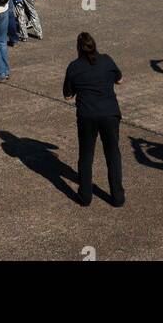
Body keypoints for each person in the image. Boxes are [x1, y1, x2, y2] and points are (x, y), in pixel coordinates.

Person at [63, 31, 124, 207]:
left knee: (86, 155)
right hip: (109, 113)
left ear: (78, 49)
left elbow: (67, 95)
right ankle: (117, 197)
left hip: (87, 115)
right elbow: (120, 80)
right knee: (113, 154)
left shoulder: (74, 67)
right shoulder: (106, 60)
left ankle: (85, 196)